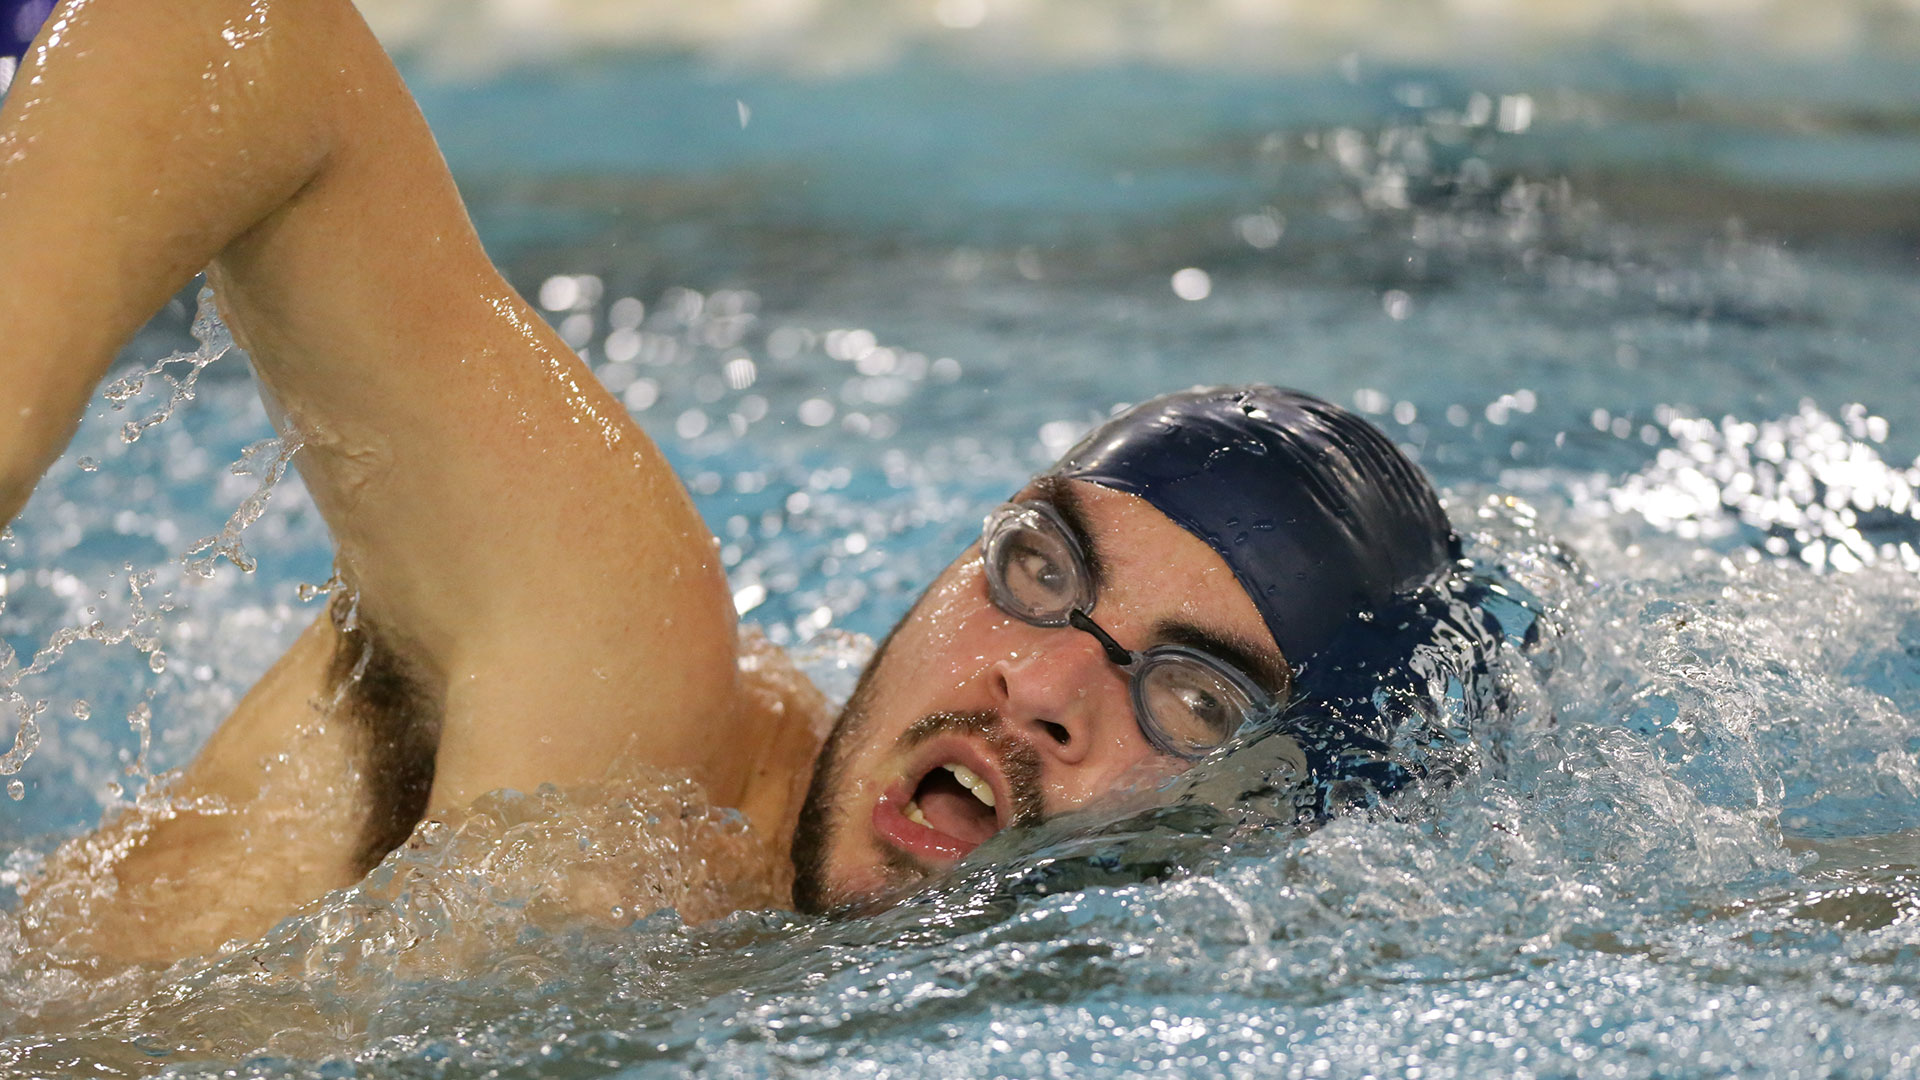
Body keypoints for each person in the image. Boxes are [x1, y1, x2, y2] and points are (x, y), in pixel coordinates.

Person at [0, 0, 1455, 965]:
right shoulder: (634, 702)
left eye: (1190, 697)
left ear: (1262, 826)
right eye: (1044, 571)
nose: (1039, 689)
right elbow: (250, 34)